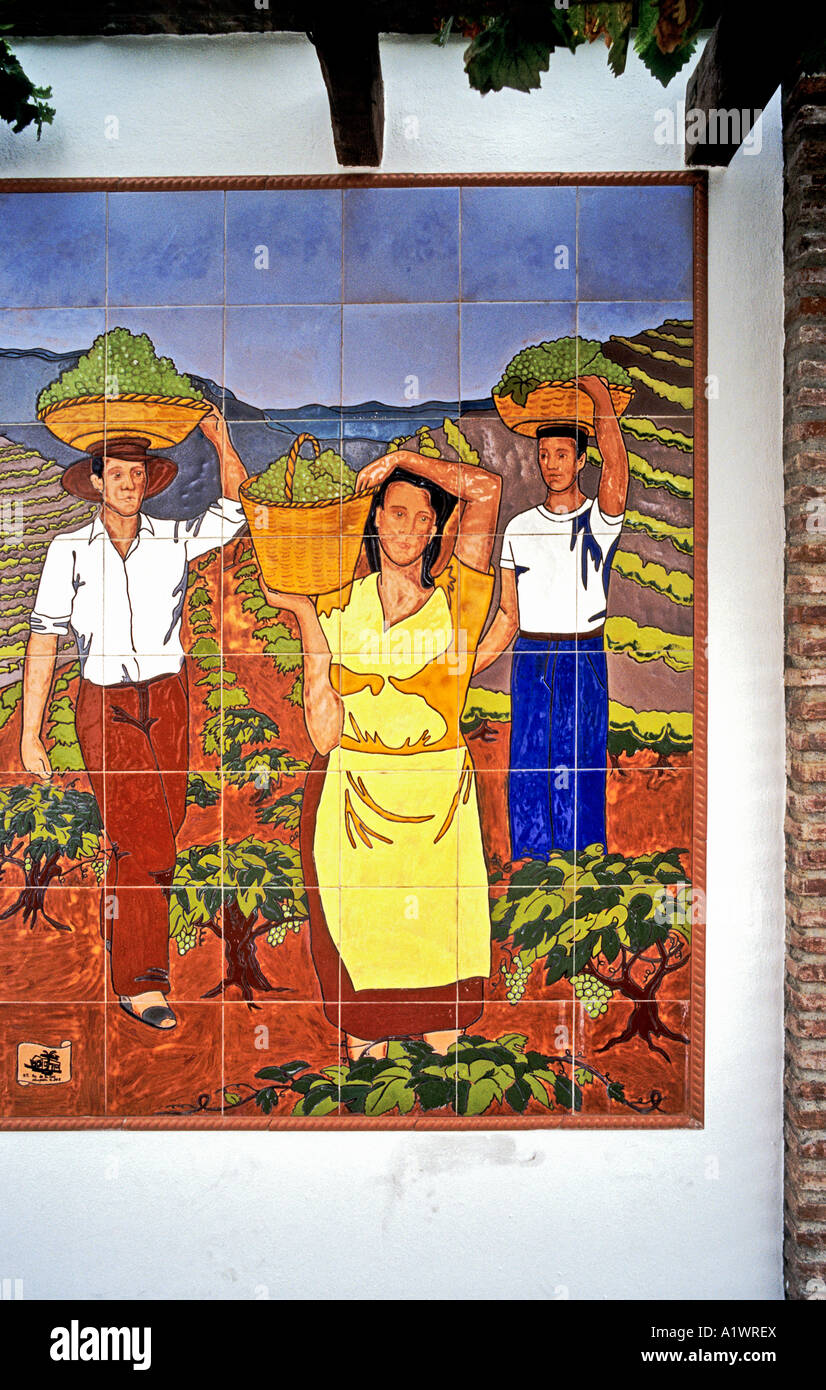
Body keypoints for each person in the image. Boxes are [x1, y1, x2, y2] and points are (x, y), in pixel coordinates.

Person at [261, 448, 501, 1061]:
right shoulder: (341, 600)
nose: (411, 530)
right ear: (373, 521)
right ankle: (368, 1032)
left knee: (437, 924)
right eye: (396, 514)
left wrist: (403, 459)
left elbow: (487, 488)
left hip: (437, 792)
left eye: (424, 519)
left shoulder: (460, 599)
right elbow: (322, 733)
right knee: (358, 922)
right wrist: (304, 615)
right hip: (354, 791)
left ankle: (441, 1028)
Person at [20, 404, 248, 1030]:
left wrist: (222, 440)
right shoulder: (67, 550)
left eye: (137, 474)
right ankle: (142, 982)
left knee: (163, 836)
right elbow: (45, 639)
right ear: (95, 481)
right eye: (116, 474)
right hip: (104, 706)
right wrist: (30, 731)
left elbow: (236, 507)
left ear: (150, 481)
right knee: (141, 840)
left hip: (169, 699)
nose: (127, 484)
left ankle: (139, 970)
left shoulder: (173, 540)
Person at [475, 375, 630, 858]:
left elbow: (618, 474)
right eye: (545, 455)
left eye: (562, 455)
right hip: (531, 656)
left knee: (579, 759)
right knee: (528, 762)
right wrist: (466, 667)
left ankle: (583, 870)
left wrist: (600, 397)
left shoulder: (598, 520)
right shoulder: (519, 529)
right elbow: (507, 613)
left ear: (581, 459)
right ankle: (532, 871)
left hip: (582, 657)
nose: (552, 465)